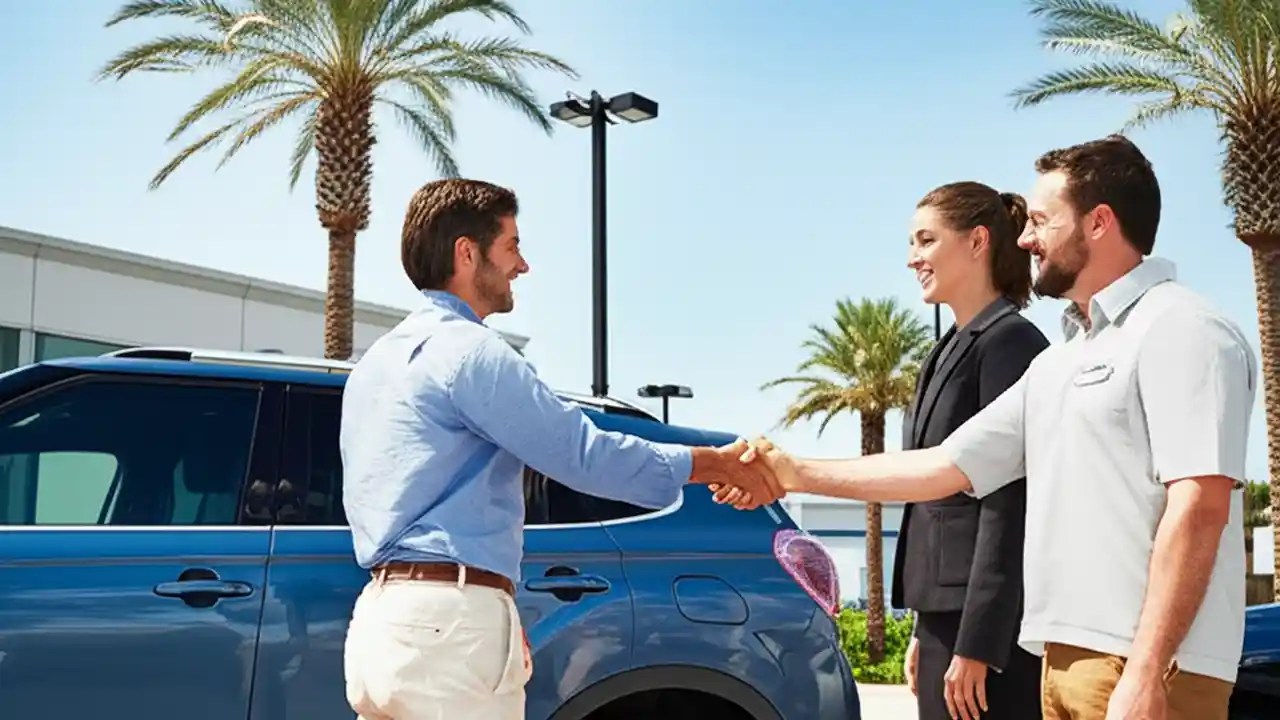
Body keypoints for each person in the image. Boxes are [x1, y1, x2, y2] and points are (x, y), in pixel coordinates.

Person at [728, 135, 1255, 720]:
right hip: (1062, 662)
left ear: (1099, 222)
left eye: (1040, 222)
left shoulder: (1183, 328)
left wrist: (1147, 670)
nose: (1025, 238)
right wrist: (791, 472)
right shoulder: (1061, 360)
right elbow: (944, 466)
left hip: (1151, 670)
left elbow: (1199, 508)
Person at [339, 178, 780, 720]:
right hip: (449, 627)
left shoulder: (375, 366)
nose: (522, 265)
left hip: (382, 626)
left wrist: (492, 610)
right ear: (467, 252)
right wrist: (709, 463)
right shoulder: (472, 354)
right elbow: (582, 455)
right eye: (512, 245)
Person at [895, 181, 1048, 720]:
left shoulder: (1012, 343)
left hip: (986, 630)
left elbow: (1009, 503)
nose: (913, 258)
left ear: (977, 241)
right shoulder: (946, 349)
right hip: (944, 617)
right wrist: (924, 627)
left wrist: (979, 642)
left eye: (926, 240)